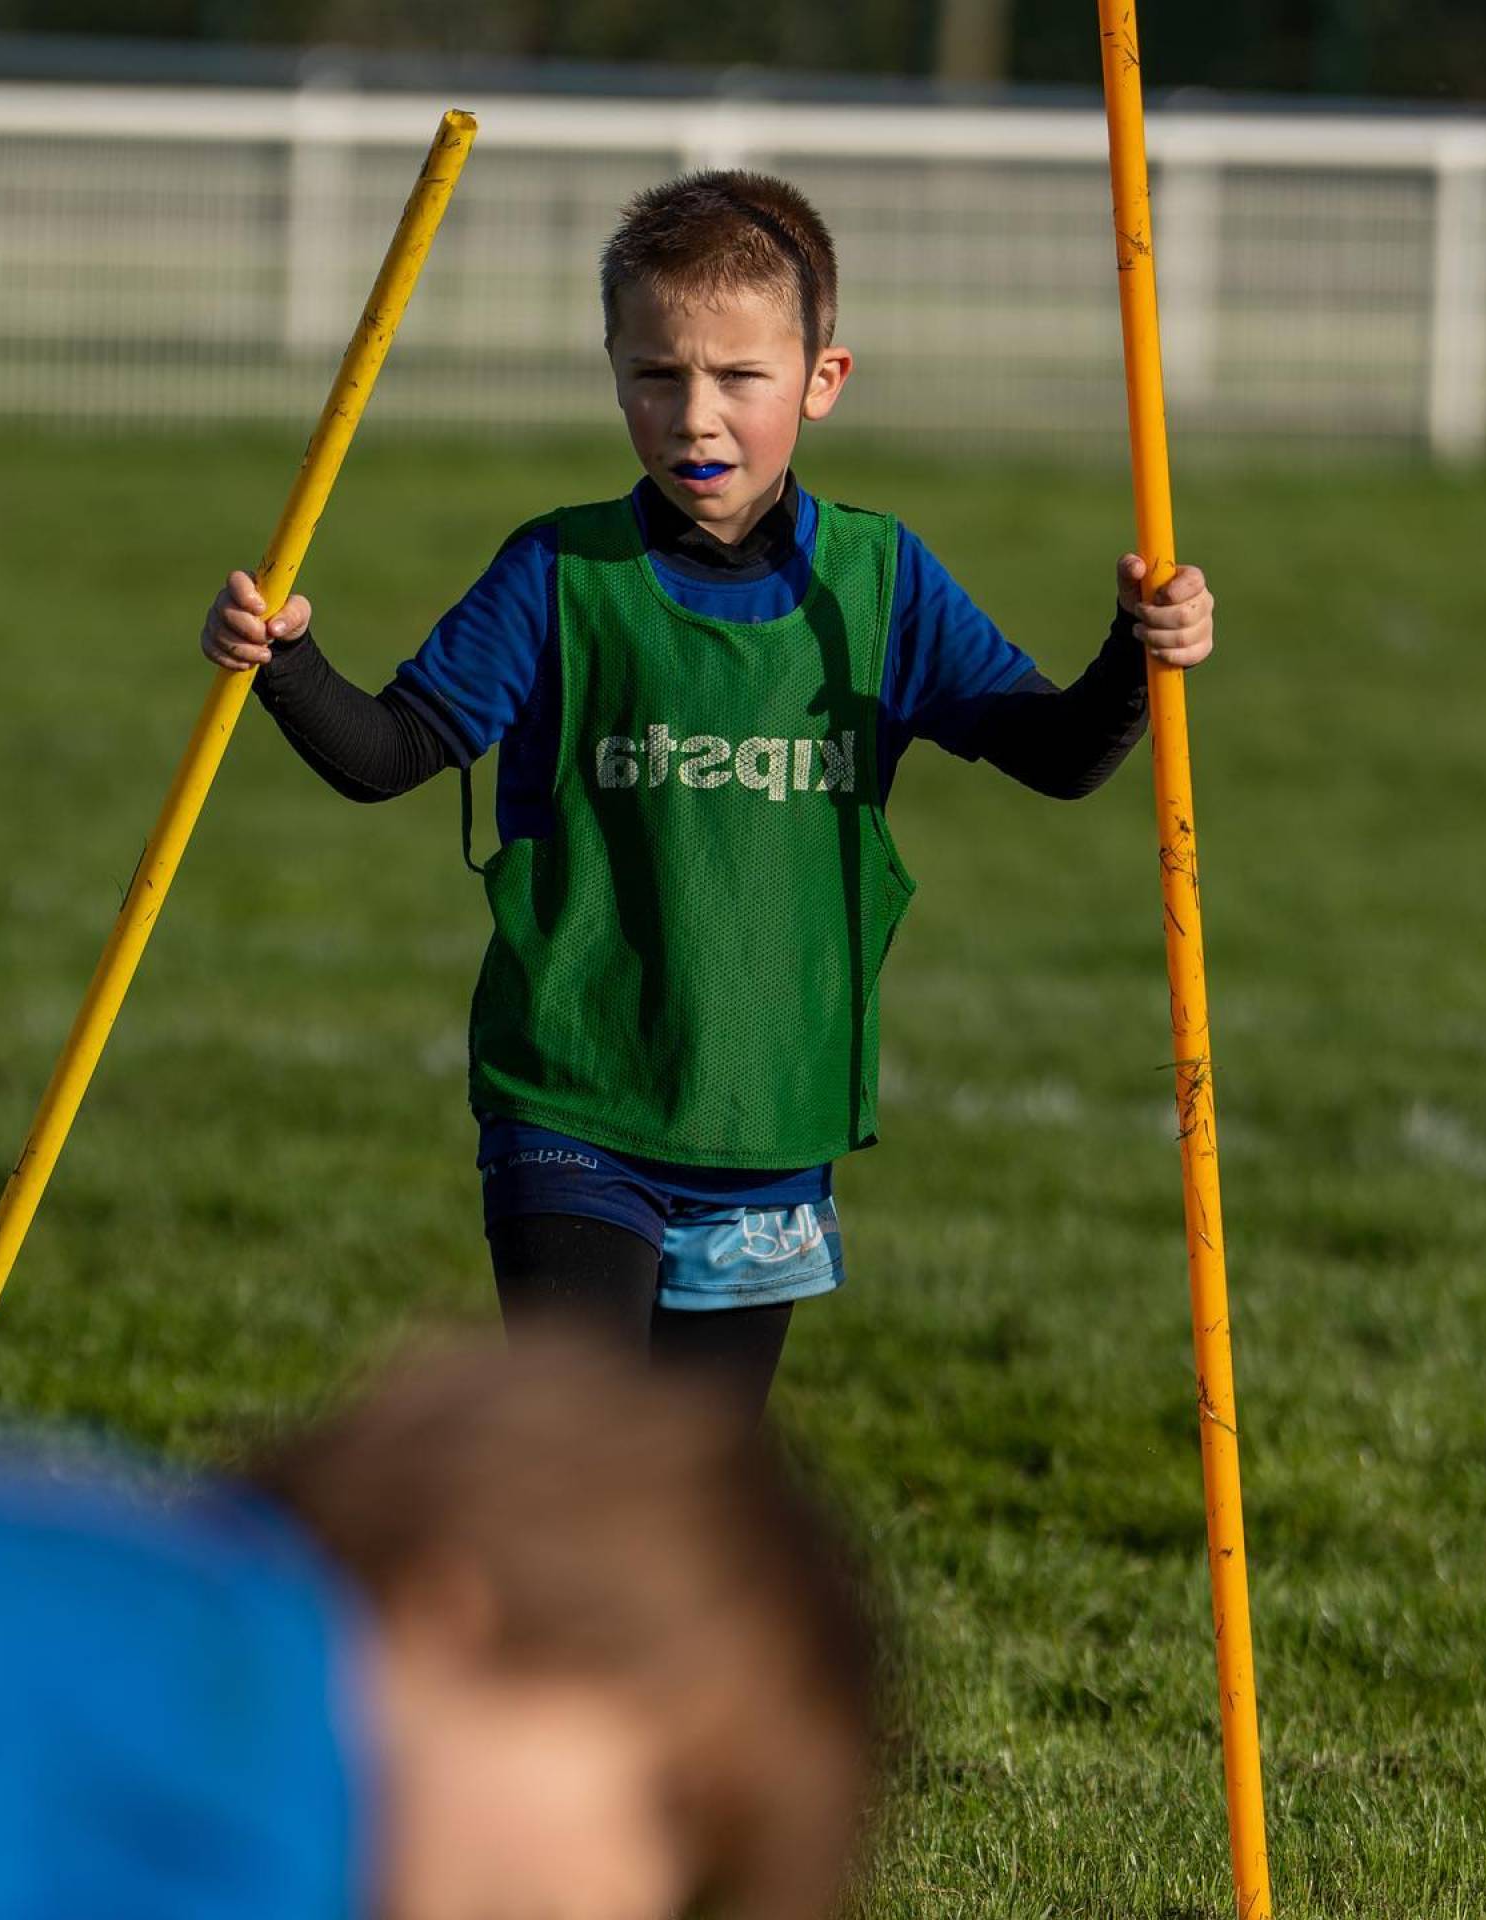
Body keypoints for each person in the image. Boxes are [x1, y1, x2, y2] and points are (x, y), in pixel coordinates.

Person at [202, 171, 1217, 1417]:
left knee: (690, 1488)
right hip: (573, 1099)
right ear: (613, 369)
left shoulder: (880, 580)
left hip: (767, 1119)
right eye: (656, 375)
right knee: (579, 1454)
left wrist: (1137, 649)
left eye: (740, 378)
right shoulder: (557, 570)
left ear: (821, 380)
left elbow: (1055, 758)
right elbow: (391, 754)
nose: (696, 417)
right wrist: (284, 664)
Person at [0, 1340, 877, 1920]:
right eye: (668, 1811)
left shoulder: (192, 1597)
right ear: (462, 1617)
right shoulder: (250, 1774)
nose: (629, 1898)